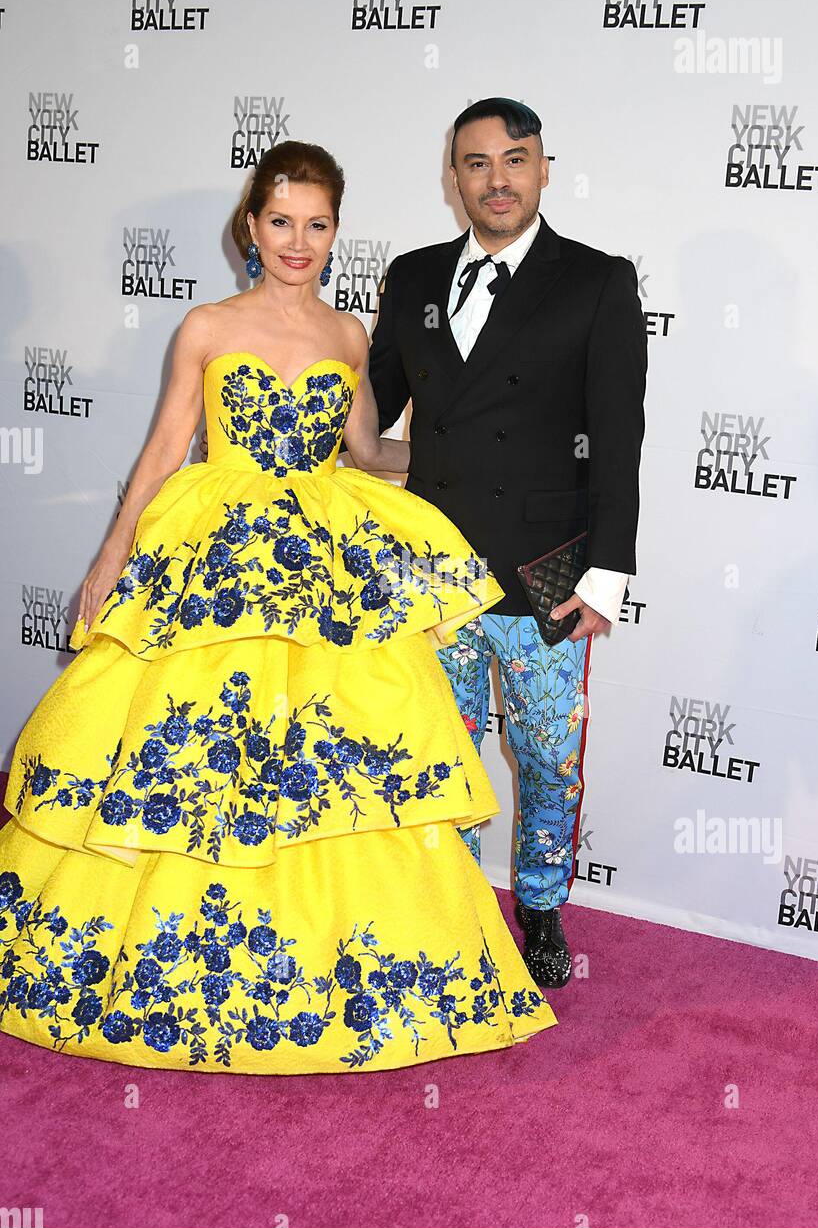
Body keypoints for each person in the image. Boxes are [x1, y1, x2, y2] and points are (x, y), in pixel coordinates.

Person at [0, 140, 557, 1074]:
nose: (299, 241)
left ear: (336, 233)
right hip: (216, 553)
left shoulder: (348, 336)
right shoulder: (207, 328)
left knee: (330, 764)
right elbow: (164, 450)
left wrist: (479, 456)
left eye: (319, 224)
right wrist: (109, 555)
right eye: (282, 220)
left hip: (320, 563)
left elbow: (370, 453)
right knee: (194, 756)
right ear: (251, 226)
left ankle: (328, 974)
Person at [368, 99, 647, 989]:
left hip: (549, 571)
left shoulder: (597, 281)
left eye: (514, 160)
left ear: (543, 169)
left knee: (544, 757)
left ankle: (537, 905)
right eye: (476, 163)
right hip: (432, 569)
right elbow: (369, 414)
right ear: (454, 177)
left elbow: (618, 435)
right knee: (434, 749)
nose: (496, 180)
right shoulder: (410, 277)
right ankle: (448, 904)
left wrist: (606, 574)